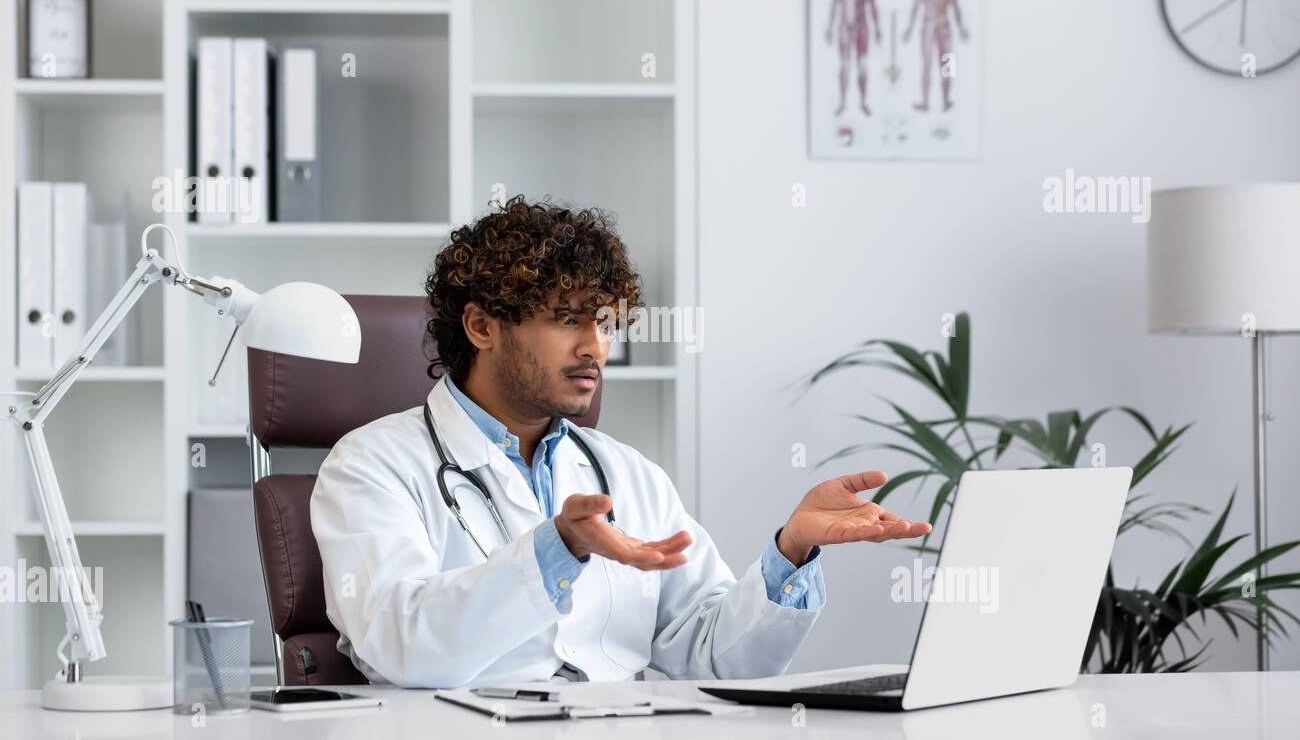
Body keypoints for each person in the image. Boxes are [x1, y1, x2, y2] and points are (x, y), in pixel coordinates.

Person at [309, 196, 931, 688]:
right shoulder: (371, 466)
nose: (595, 348)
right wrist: (557, 547)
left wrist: (791, 551)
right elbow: (400, 647)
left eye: (603, 322)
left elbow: (715, 660)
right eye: (568, 318)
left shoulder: (628, 474)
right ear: (481, 325)